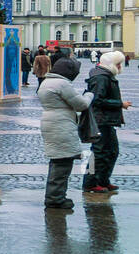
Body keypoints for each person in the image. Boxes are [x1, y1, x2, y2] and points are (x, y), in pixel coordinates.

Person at [37, 55, 92, 211]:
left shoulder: (47, 82)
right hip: (61, 124)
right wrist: (89, 95)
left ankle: (54, 196)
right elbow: (81, 105)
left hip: (51, 122)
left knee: (56, 161)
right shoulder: (61, 83)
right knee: (62, 163)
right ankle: (56, 199)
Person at [83, 51, 129, 194]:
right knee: (98, 152)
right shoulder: (101, 77)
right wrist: (119, 103)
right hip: (100, 120)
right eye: (118, 64)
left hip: (106, 120)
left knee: (111, 151)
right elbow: (98, 100)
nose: (120, 66)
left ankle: (103, 180)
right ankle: (90, 183)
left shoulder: (105, 75)